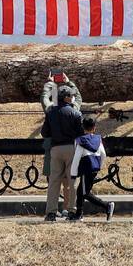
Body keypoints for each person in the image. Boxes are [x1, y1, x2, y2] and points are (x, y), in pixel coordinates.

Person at [41, 86, 85, 221]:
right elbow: (81, 133)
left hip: (55, 149)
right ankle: (72, 211)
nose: (72, 97)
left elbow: (44, 133)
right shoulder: (75, 113)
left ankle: (51, 213)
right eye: (71, 95)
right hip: (71, 148)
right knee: (72, 182)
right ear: (66, 98)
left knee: (54, 181)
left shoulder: (50, 112)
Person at [68, 117, 113, 221]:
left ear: (83, 127)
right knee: (81, 191)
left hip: (86, 168)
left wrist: (73, 174)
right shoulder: (98, 139)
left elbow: (76, 158)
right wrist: (99, 166)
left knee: (84, 193)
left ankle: (107, 206)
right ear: (94, 128)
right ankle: (79, 214)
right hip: (94, 168)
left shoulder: (80, 141)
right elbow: (103, 154)